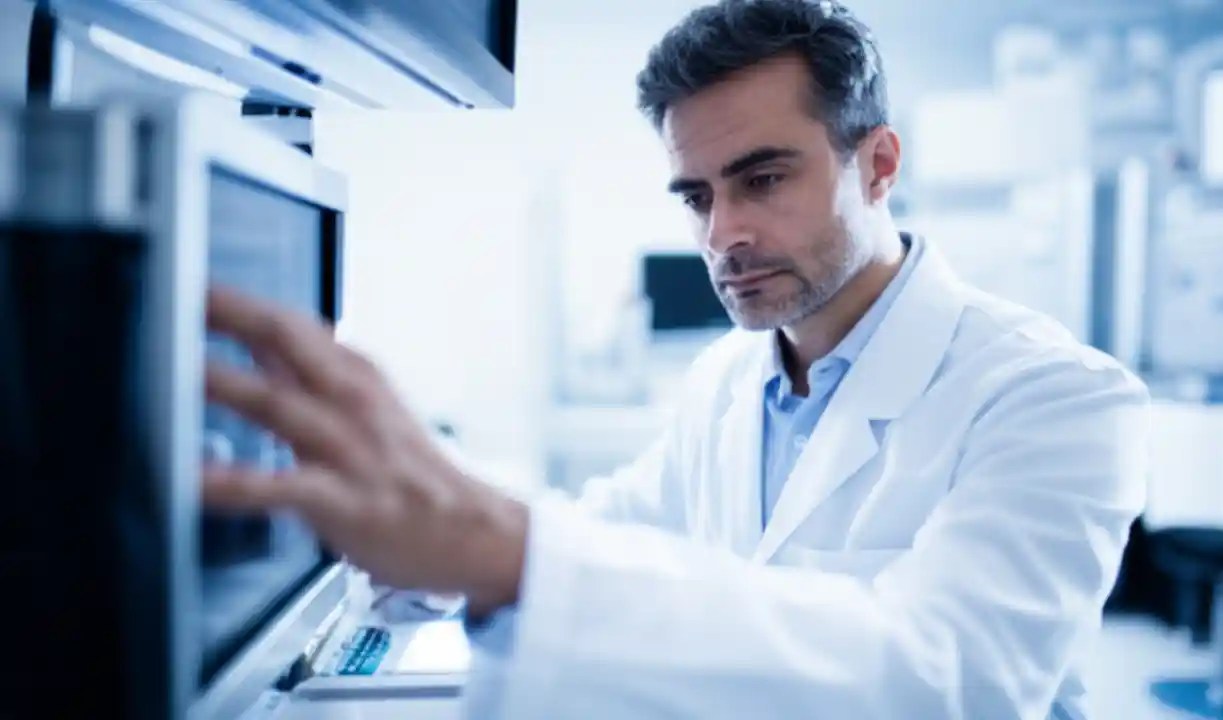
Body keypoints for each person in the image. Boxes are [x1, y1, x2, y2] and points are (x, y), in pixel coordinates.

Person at [204, 1, 1150, 718]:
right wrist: (420, 520)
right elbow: (613, 529)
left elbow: (951, 677)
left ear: (879, 165)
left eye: (764, 179)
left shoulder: (1055, 398)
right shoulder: (729, 381)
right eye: (696, 198)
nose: (725, 235)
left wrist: (506, 551)